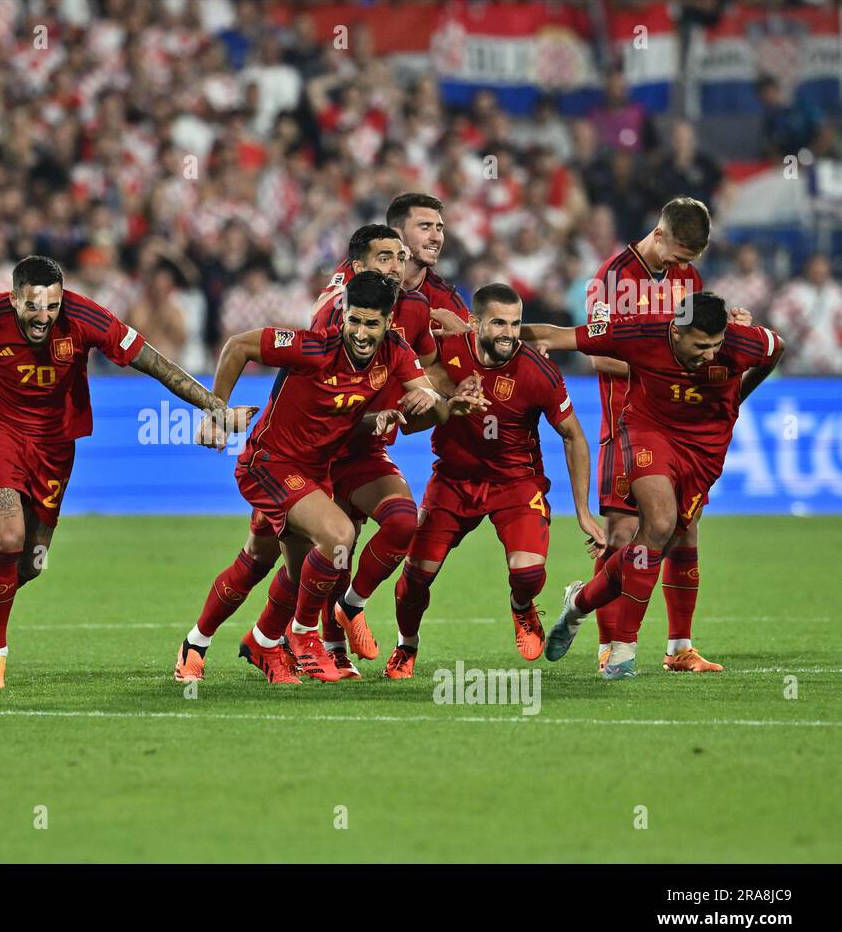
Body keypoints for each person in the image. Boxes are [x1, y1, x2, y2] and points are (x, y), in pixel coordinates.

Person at [0, 255, 245, 690]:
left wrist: (213, 406)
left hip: (54, 444)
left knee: (31, 563)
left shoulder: (87, 318)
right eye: (33, 307)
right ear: (13, 299)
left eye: (52, 307)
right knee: (7, 537)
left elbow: (154, 363)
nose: (43, 317)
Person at [197, 271, 486, 684]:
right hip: (272, 463)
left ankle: (261, 640)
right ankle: (300, 636)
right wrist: (216, 412)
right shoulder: (312, 346)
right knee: (324, 542)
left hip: (320, 472)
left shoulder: (397, 351)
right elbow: (239, 345)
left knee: (298, 570)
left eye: (372, 323)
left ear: (388, 323)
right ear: (343, 314)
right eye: (355, 320)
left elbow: (426, 406)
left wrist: (441, 402)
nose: (362, 333)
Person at [521, 291, 784, 679]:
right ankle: (623, 649)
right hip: (649, 432)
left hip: (705, 448)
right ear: (676, 332)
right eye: (700, 346)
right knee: (659, 523)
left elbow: (776, 348)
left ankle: (578, 602)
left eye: (715, 345)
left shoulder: (742, 341)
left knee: (656, 545)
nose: (710, 355)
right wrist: (493, 332)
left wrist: (740, 392)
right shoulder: (639, 334)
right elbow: (556, 335)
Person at [391, 283, 603, 678]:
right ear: (474, 324)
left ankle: (522, 608)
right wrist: (448, 405)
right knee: (416, 576)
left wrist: (584, 512)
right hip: (453, 480)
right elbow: (410, 428)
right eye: (499, 323)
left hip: (515, 482)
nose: (509, 333)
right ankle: (407, 645)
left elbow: (574, 435)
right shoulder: (444, 354)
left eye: (516, 323)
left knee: (528, 574)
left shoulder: (538, 371)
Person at [585, 197, 752, 673]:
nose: (683, 266)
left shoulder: (688, 281)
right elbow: (598, 356)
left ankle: (679, 647)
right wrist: (661, 368)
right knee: (621, 532)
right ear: (659, 235)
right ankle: (609, 649)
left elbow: (699, 346)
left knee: (682, 528)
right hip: (626, 422)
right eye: (678, 254)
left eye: (691, 260)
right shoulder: (611, 280)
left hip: (678, 428)